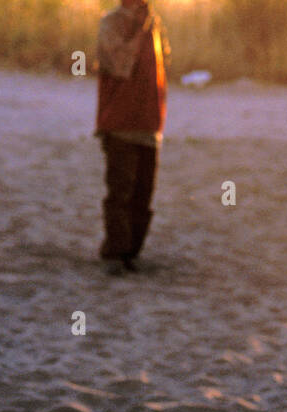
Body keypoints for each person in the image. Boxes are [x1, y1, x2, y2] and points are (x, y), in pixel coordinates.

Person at [96, 0, 169, 274]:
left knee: (143, 194)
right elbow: (119, 65)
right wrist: (138, 26)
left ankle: (131, 253)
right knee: (120, 192)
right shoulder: (112, 23)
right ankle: (114, 254)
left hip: (149, 126)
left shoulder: (154, 24)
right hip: (120, 125)